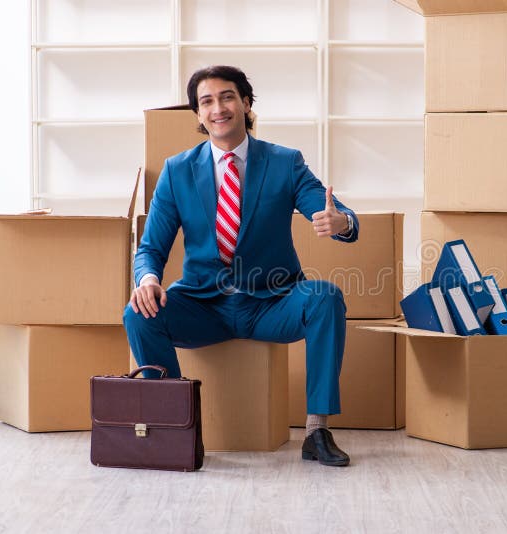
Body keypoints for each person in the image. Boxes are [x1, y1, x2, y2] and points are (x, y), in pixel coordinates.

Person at [123, 65, 358, 467]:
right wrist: (147, 279)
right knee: (139, 313)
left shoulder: (285, 162)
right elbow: (150, 248)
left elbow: (329, 207)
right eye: (207, 101)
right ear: (198, 114)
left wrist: (343, 222)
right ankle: (171, 429)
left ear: (246, 103)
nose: (218, 108)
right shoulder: (177, 171)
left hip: (272, 302)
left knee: (325, 297)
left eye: (227, 97)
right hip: (203, 304)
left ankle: (317, 430)